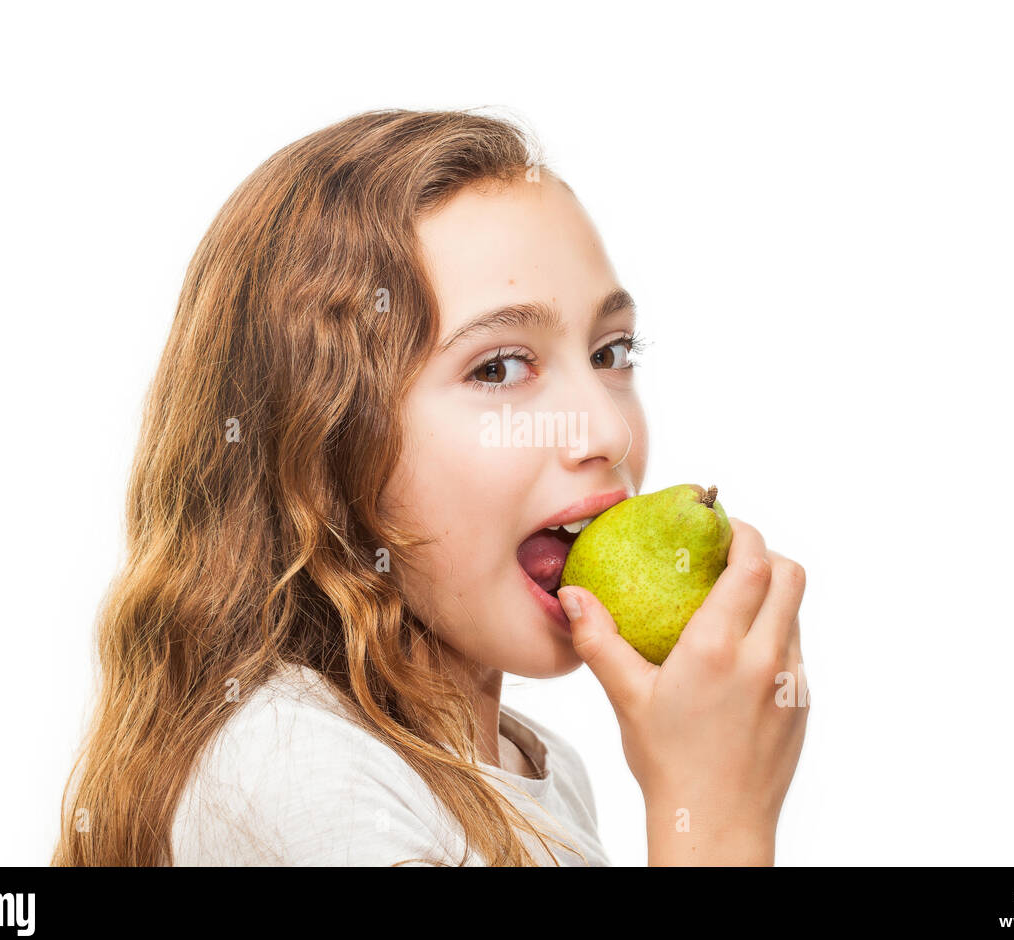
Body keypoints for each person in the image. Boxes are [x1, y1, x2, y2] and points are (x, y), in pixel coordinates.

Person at [51, 108, 808, 866]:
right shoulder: (298, 776)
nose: (607, 432)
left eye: (611, 351)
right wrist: (713, 818)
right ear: (322, 440)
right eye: (498, 368)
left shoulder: (542, 771)